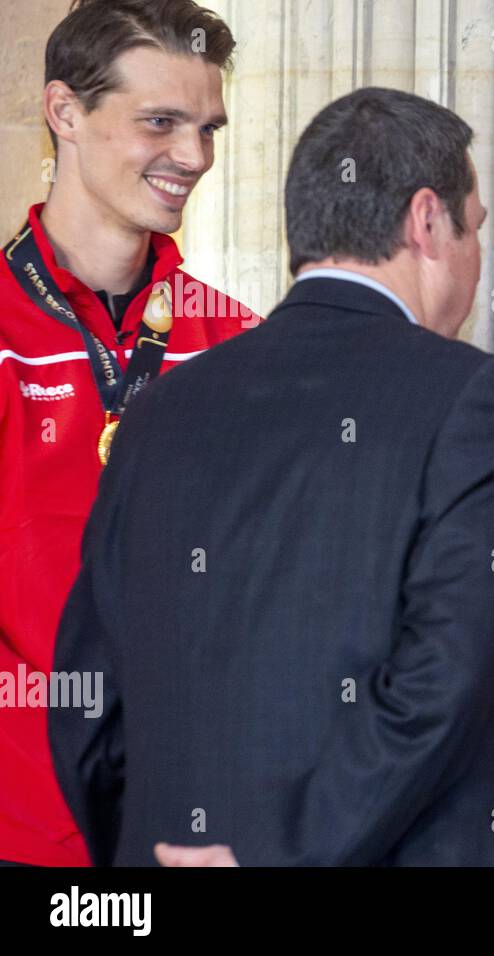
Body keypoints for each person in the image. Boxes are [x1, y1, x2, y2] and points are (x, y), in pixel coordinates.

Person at [48, 87, 494, 867]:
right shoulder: (486, 401)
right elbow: (440, 683)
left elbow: (84, 690)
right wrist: (264, 854)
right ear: (426, 221)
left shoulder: (158, 411)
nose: (476, 256)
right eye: (474, 228)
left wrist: (149, 857)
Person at [0, 0, 253, 868]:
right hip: (23, 826)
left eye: (207, 128)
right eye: (160, 122)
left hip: (197, 828)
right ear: (65, 113)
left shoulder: (242, 346)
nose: (194, 157)